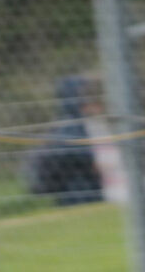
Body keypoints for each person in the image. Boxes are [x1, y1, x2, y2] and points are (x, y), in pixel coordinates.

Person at [23, 75, 105, 207]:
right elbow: (80, 155)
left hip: (82, 185)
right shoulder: (71, 124)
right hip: (78, 190)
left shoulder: (69, 121)